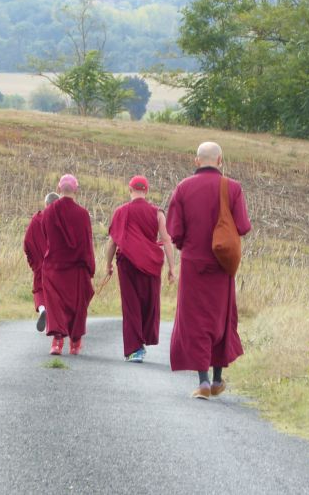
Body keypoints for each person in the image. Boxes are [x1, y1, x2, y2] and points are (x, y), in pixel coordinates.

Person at [166, 142, 252, 399]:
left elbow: (175, 233)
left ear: (196, 161)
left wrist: (188, 247)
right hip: (222, 265)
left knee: (196, 321)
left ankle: (202, 382)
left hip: (194, 264)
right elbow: (243, 226)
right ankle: (217, 380)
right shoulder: (233, 188)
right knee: (220, 320)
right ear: (220, 160)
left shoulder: (182, 188)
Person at [105, 175, 176, 363]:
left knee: (131, 305)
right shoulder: (157, 213)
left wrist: (108, 264)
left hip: (127, 263)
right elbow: (167, 240)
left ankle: (135, 349)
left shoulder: (121, 211)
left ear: (130, 190)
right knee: (148, 302)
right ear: (146, 191)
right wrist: (172, 267)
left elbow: (112, 242)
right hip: (151, 263)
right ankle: (141, 341)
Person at [40, 174, 95, 356]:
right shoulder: (83, 214)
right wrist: (90, 268)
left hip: (54, 267)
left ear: (58, 188)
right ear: (76, 190)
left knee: (55, 304)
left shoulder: (48, 212)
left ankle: (57, 342)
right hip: (77, 268)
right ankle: (75, 343)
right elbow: (87, 243)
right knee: (78, 306)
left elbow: (46, 238)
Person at [23, 192, 60, 333]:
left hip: (40, 264)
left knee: (39, 289)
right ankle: (56, 323)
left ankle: (43, 309)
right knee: (57, 293)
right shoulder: (60, 220)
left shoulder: (36, 219)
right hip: (58, 265)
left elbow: (27, 243)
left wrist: (33, 262)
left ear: (46, 204)